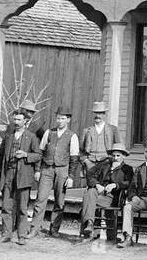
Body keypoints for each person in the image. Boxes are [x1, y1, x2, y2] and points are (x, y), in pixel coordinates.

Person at [31, 106, 80, 237]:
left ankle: (54, 229)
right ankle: (34, 228)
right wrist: (37, 170)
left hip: (62, 170)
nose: (59, 121)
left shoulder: (72, 136)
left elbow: (74, 158)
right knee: (40, 199)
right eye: (58, 118)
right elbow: (40, 152)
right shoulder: (49, 133)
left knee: (59, 201)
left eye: (63, 118)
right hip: (46, 169)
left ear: (68, 120)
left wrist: (70, 176)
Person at [0, 108, 42, 245]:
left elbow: (38, 156)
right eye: (14, 119)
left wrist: (26, 155)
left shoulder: (31, 137)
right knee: (6, 206)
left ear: (25, 121)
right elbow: (0, 154)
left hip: (23, 176)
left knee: (22, 208)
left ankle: (22, 235)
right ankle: (6, 234)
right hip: (8, 175)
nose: (16, 122)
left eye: (19, 120)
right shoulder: (8, 137)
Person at [79, 102, 119, 239]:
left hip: (107, 165)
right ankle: (91, 231)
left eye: (101, 113)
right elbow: (81, 151)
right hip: (91, 166)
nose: (98, 116)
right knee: (91, 193)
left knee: (107, 194)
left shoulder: (112, 130)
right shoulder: (87, 131)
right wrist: (85, 161)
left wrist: (112, 162)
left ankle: (111, 234)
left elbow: (118, 149)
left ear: (104, 115)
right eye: (96, 113)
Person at [83, 143, 133, 245]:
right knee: (91, 191)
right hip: (99, 194)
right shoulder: (104, 166)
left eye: (118, 156)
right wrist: (97, 185)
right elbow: (90, 175)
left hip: (113, 197)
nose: (115, 158)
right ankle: (90, 224)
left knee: (88, 198)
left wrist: (116, 185)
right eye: (113, 155)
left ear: (123, 156)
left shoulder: (127, 169)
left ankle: (89, 229)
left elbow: (129, 183)